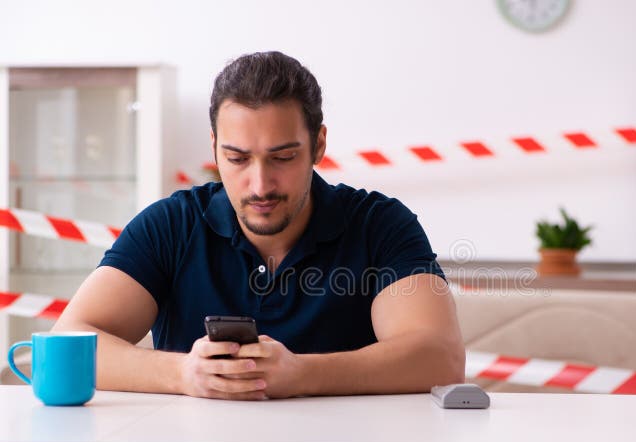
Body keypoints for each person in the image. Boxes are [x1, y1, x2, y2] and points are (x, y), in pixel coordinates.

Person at [53, 51, 465, 400]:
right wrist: (183, 374)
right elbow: (65, 342)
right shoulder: (172, 225)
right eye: (237, 159)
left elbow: (441, 357)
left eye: (282, 158)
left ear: (319, 145)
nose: (260, 185)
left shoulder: (380, 225)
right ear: (214, 147)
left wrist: (302, 375)